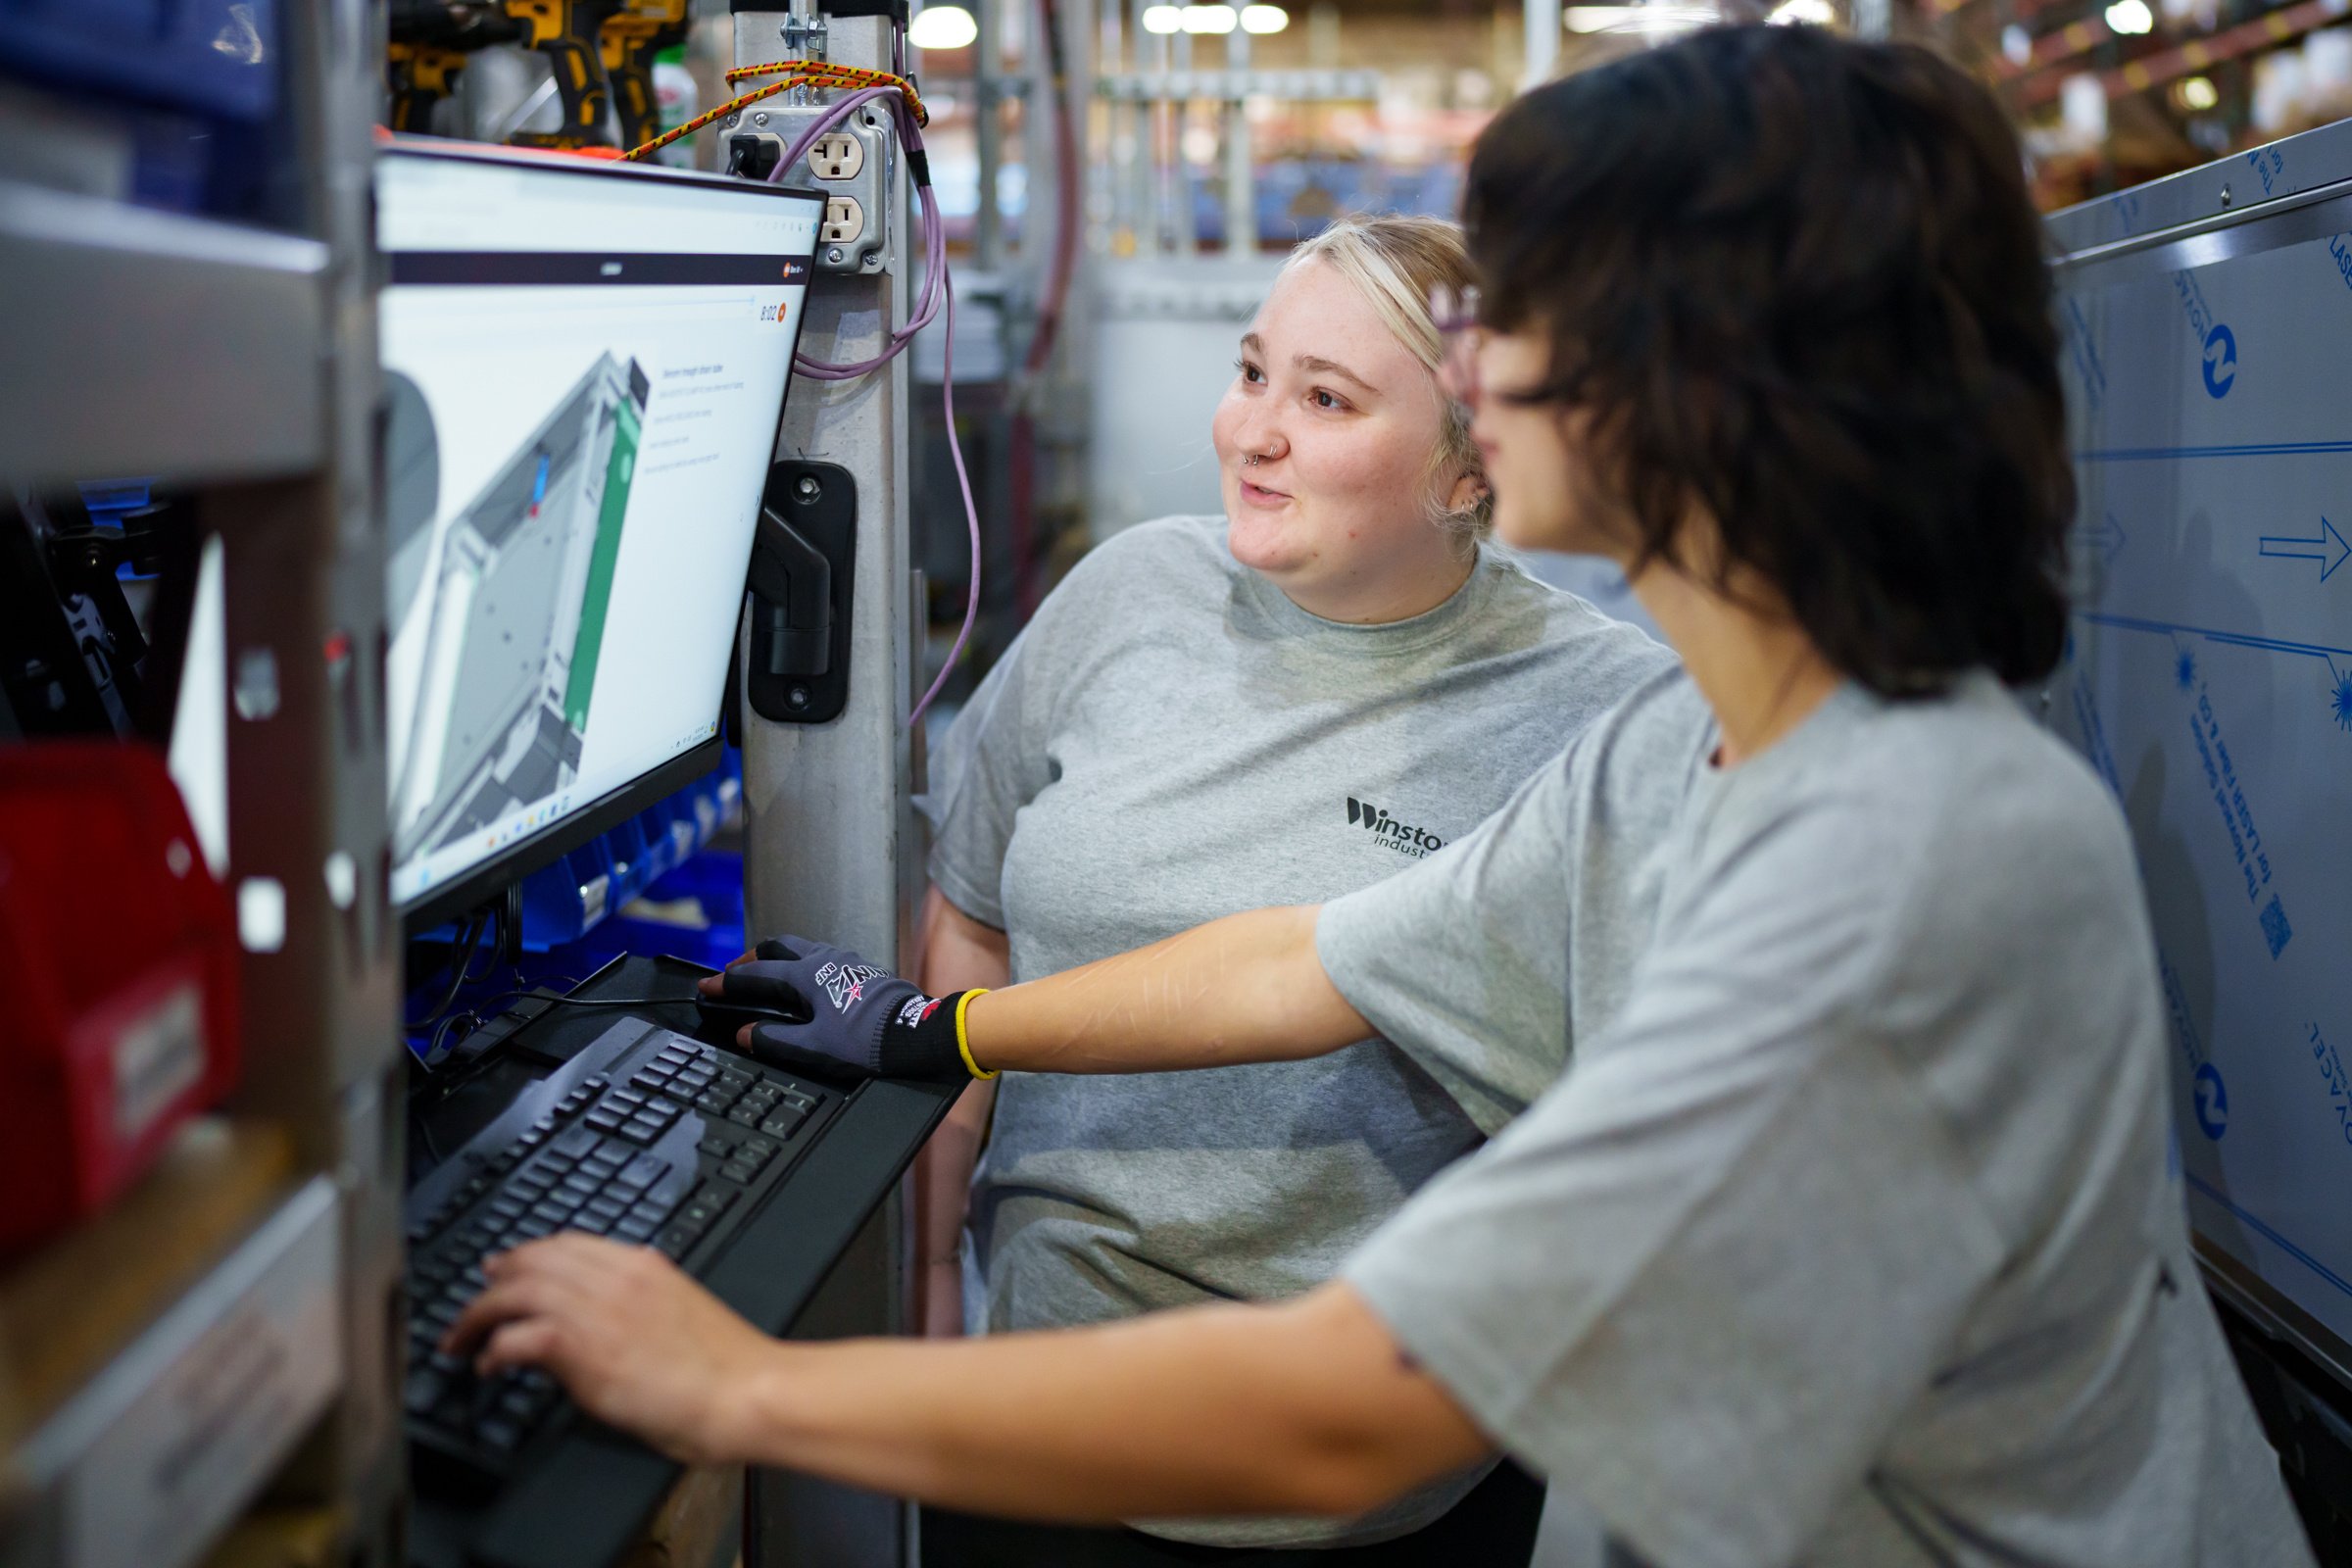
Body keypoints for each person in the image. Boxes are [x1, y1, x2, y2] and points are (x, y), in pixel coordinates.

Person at [449, 26, 2317, 1567]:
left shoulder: (1917, 868)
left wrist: (733, 1386)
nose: (1479, 365)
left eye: (1538, 312)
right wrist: (941, 1031)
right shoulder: (1711, 745)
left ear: (1710, 375)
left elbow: (1362, 1408)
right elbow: (1317, 958)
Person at [908, 212, 1674, 1563]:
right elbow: (974, 912)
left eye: (1325, 400)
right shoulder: (1128, 594)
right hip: (1047, 1414)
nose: (1252, 431)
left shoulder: (1601, 712)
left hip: (1374, 1476)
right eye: (1253, 370)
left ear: (1469, 471)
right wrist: (926, 1267)